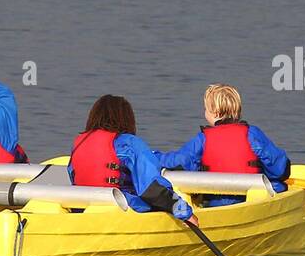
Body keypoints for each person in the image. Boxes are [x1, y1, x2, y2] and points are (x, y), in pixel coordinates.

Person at [69, 94, 196, 222]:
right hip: (121, 209)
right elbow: (151, 188)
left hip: (84, 208)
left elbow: (72, 175)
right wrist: (185, 212)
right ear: (127, 119)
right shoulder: (129, 143)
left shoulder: (79, 143)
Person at [160, 84, 290, 206]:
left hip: (215, 203)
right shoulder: (251, 134)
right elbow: (279, 168)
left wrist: (153, 157)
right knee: (278, 184)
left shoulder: (203, 139)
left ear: (214, 113)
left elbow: (180, 161)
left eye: (206, 109)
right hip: (251, 199)